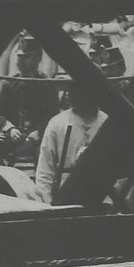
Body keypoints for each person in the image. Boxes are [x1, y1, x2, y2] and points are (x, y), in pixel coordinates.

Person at [33, 76, 100, 206]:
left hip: (101, 196)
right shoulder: (58, 123)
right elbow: (45, 169)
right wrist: (46, 203)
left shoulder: (107, 122)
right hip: (64, 196)